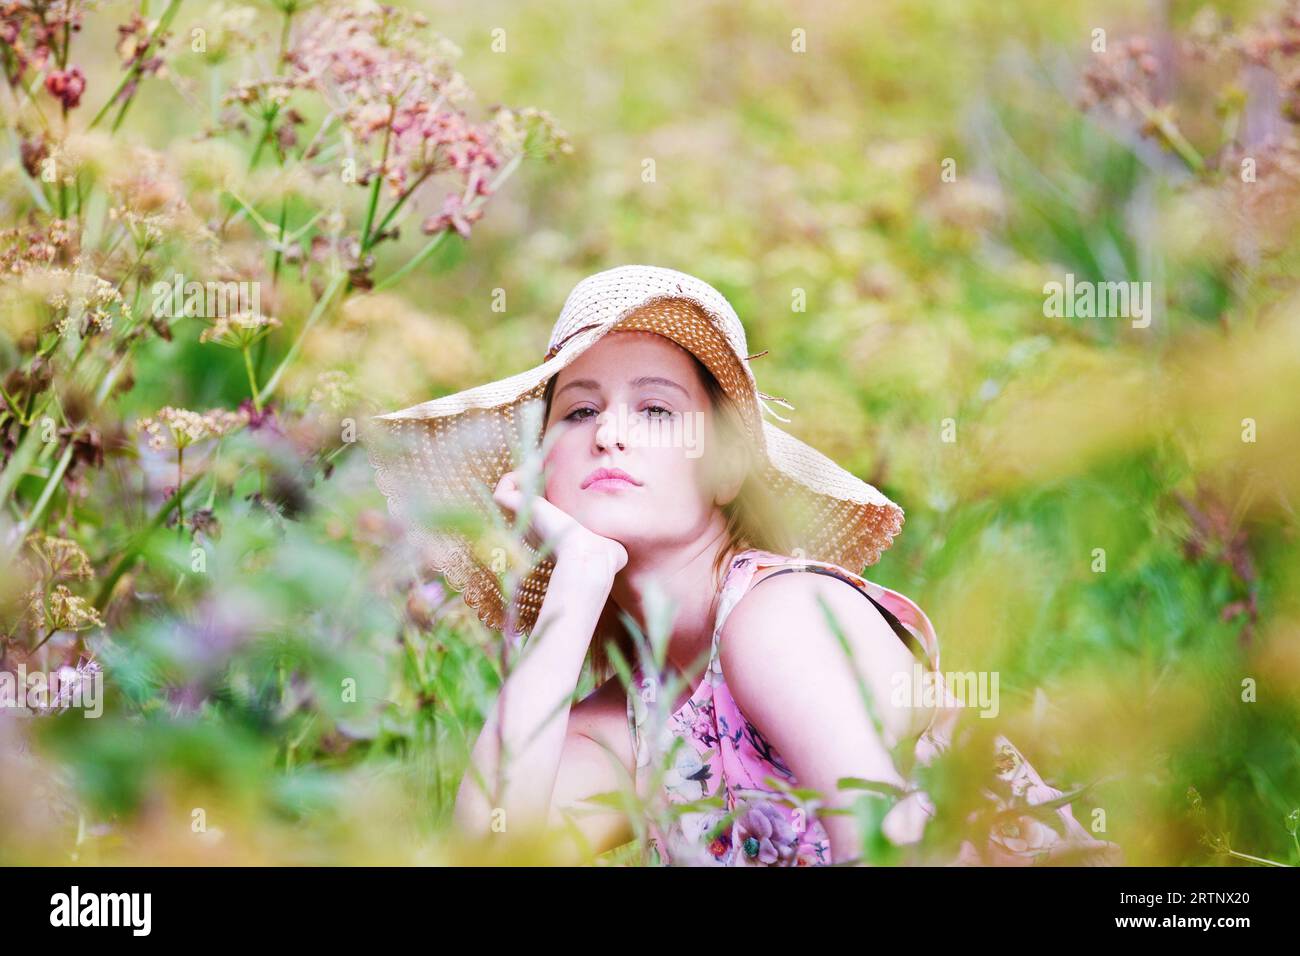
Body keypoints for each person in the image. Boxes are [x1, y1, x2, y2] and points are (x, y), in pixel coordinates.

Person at [366, 265, 1123, 866]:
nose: (610, 436)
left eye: (656, 410)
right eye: (579, 410)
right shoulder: (632, 716)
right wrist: (579, 576)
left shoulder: (778, 615)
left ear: (725, 472)